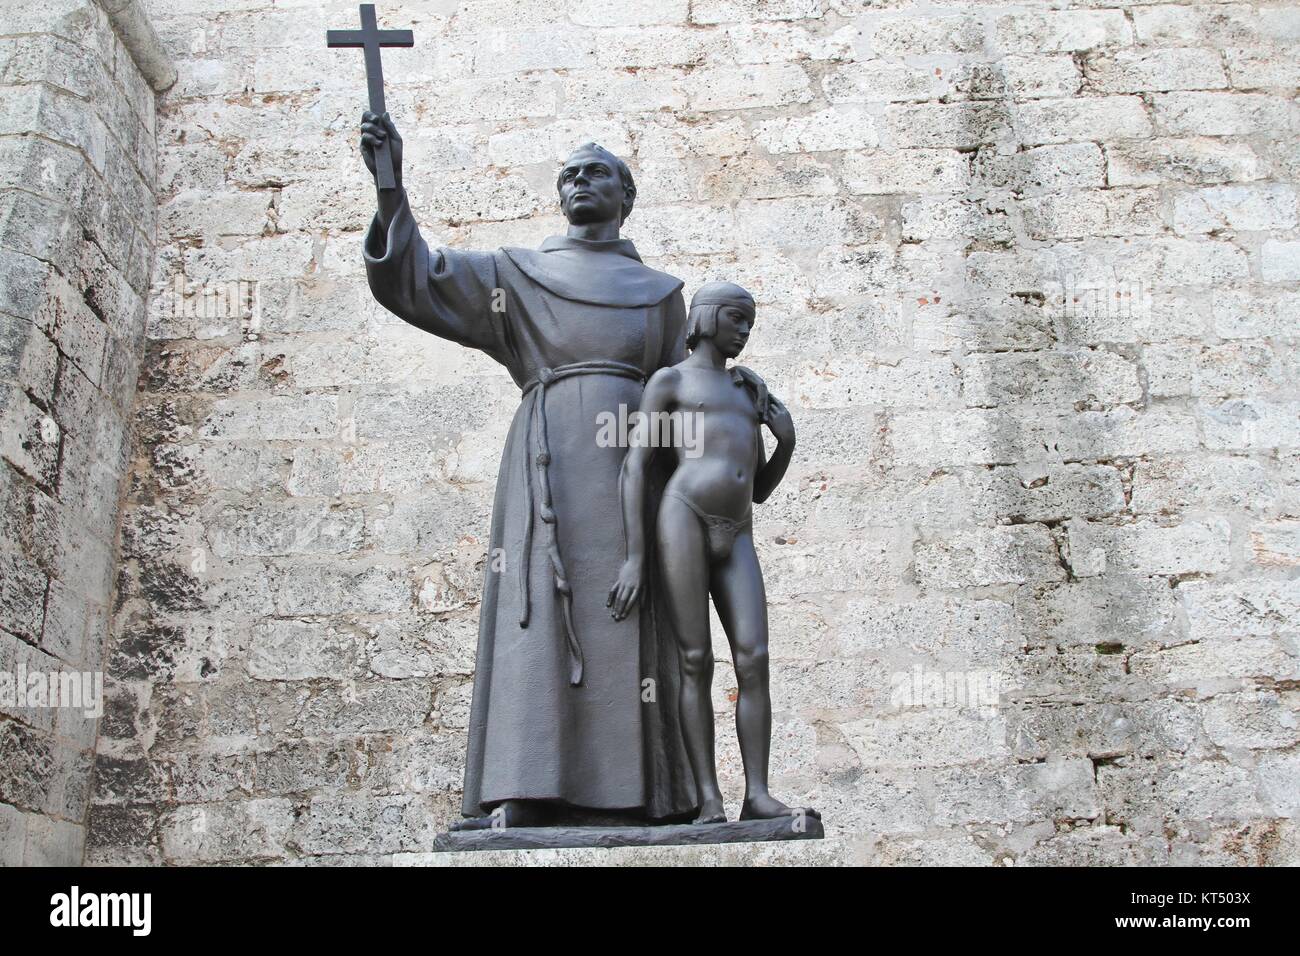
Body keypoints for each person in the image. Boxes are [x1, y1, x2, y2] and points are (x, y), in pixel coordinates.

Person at [359, 111, 697, 827]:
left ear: (625, 196)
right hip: (545, 463)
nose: (580, 181)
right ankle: (527, 783)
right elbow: (416, 277)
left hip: (633, 471)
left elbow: (682, 398)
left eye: (596, 172)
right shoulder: (518, 276)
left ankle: (642, 792)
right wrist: (391, 188)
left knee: (630, 618)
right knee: (536, 609)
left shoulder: (665, 295)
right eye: (570, 173)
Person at [610, 281, 819, 825]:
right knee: (694, 659)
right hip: (684, 516)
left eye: (750, 321)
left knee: (754, 658)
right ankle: (708, 796)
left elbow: (758, 488)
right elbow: (636, 464)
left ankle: (758, 793)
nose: (745, 330)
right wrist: (634, 556)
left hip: (739, 527)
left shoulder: (748, 388)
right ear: (706, 318)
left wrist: (787, 442)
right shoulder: (671, 381)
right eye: (736, 318)